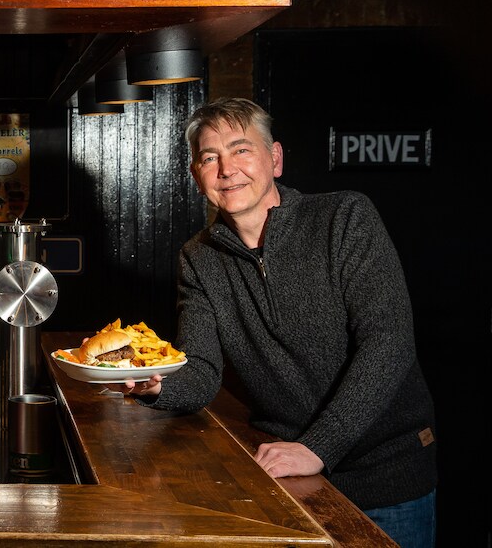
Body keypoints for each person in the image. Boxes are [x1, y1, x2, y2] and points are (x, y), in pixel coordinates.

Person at [113, 98, 437, 547]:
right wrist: (157, 385)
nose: (227, 169)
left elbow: (389, 343)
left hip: (385, 482)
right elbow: (202, 370)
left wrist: (318, 447)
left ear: (275, 159)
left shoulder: (344, 218)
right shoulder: (198, 256)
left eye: (242, 150)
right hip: (289, 479)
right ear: (196, 176)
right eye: (210, 158)